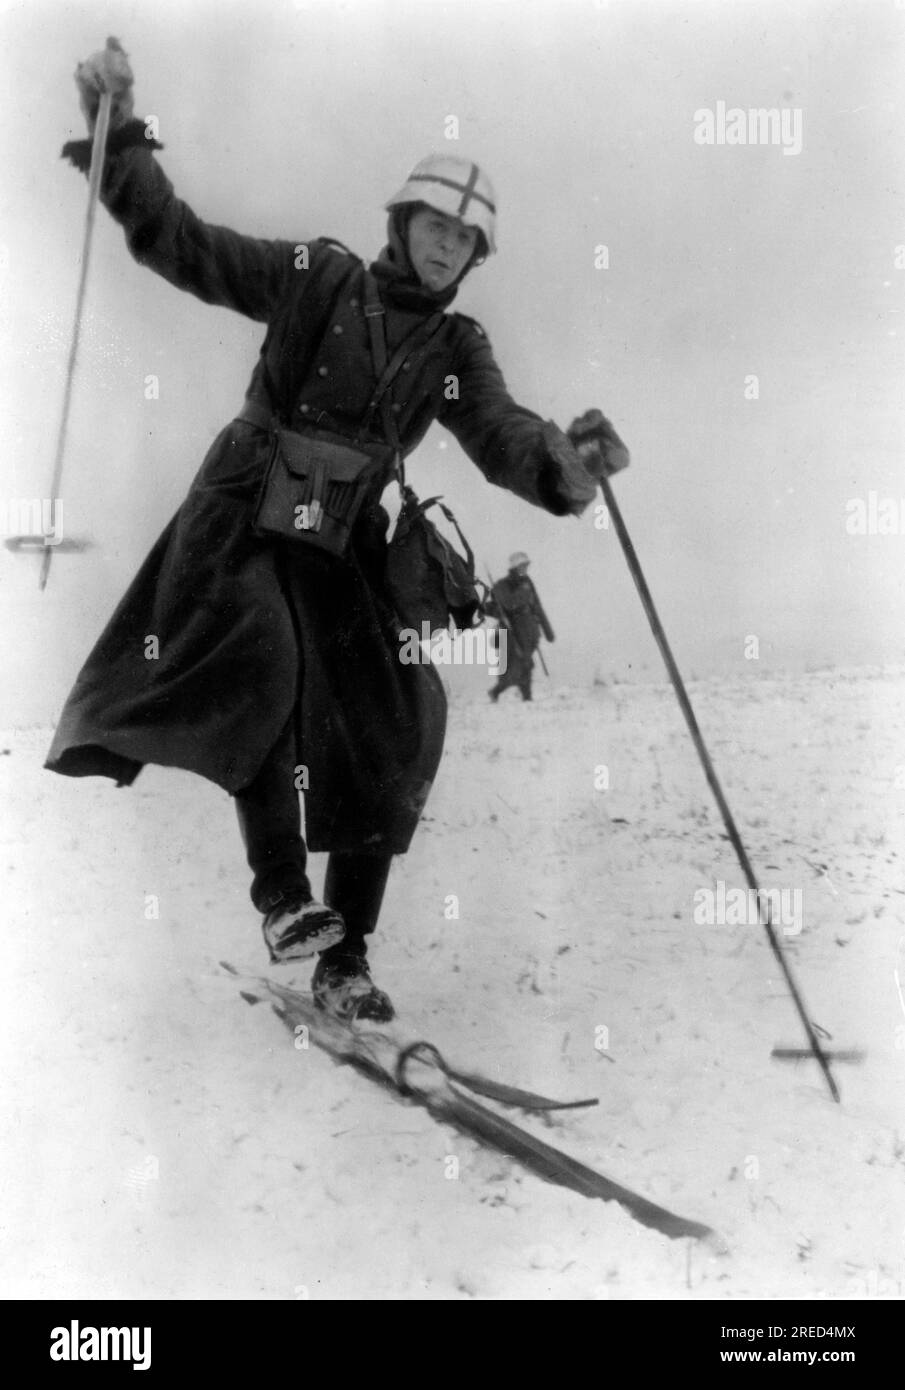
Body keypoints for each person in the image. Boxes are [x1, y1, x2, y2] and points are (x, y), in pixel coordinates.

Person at [45, 43, 629, 1022]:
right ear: (400, 224)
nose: (445, 247)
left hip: (340, 539)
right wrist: (124, 135)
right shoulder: (316, 276)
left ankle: (343, 960)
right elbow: (188, 245)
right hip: (243, 516)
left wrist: (563, 468)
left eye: (463, 240)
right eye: (432, 226)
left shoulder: (453, 347)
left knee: (395, 718)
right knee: (261, 659)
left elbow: (497, 429)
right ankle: (283, 897)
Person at [486, 553, 554, 702]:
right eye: (522, 566)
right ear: (514, 568)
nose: (525, 569)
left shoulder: (527, 583)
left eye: (526, 566)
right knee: (518, 664)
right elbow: (508, 604)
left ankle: (526, 696)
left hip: (530, 630)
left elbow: (537, 606)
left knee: (527, 663)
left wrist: (548, 630)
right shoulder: (503, 585)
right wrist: (523, 591)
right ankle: (497, 691)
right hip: (513, 632)